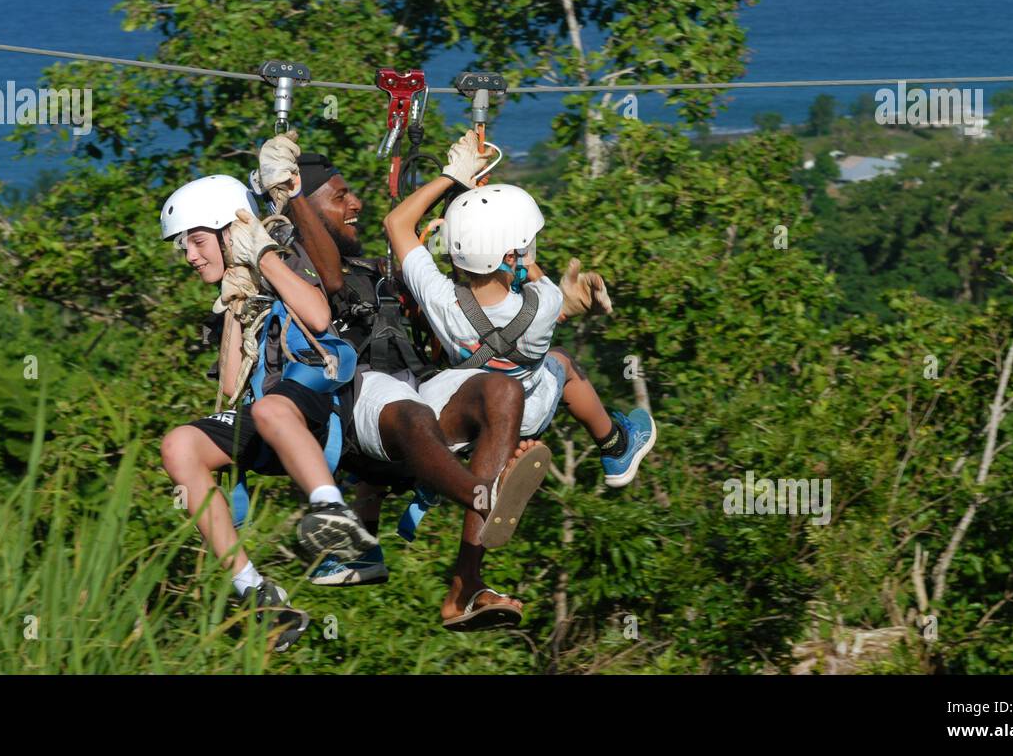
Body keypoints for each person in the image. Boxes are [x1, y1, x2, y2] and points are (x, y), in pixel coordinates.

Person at [254, 134, 551, 630]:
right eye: (340, 197)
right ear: (307, 207)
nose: (356, 203)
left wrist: (470, 211)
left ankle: (466, 587)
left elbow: (451, 294)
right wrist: (290, 194)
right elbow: (327, 278)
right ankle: (482, 495)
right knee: (410, 412)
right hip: (354, 398)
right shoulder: (287, 261)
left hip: (412, 383)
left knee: (502, 389)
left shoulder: (372, 271)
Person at [155, 173, 366, 649]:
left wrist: (263, 258)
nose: (190, 256)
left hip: (312, 400)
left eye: (197, 241)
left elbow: (317, 316)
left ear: (231, 232)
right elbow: (231, 386)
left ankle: (333, 515)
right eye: (184, 246)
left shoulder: (284, 259)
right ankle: (253, 589)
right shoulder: (239, 288)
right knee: (179, 445)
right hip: (272, 418)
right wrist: (234, 306)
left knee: (272, 408)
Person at [383, 132, 657, 487]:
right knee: (562, 360)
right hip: (527, 412)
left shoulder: (440, 299)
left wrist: (452, 175)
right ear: (512, 255)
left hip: (469, 404)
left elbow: (396, 224)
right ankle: (615, 444)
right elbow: (533, 279)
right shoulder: (545, 302)